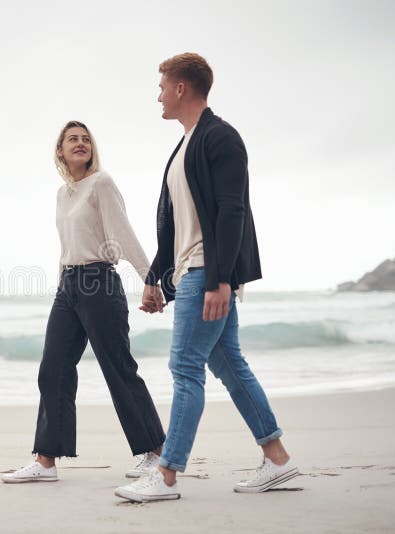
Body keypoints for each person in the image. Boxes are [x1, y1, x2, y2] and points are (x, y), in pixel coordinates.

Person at [115, 53, 298, 502]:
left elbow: (233, 210)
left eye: (161, 87)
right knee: (227, 363)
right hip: (192, 270)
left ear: (181, 88)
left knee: (185, 368)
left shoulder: (221, 138)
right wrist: (155, 277)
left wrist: (221, 280)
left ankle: (168, 474)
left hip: (207, 273)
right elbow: (176, 226)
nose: (157, 95)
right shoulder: (183, 148)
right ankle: (277, 458)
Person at [2, 121, 165, 483]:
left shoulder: (101, 183)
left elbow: (122, 232)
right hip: (69, 286)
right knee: (53, 369)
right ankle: (46, 461)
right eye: (72, 139)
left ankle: (156, 452)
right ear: (60, 150)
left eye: (86, 139)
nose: (81, 143)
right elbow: (65, 247)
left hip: (99, 282)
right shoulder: (63, 193)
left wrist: (149, 279)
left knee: (118, 368)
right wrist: (63, 288)